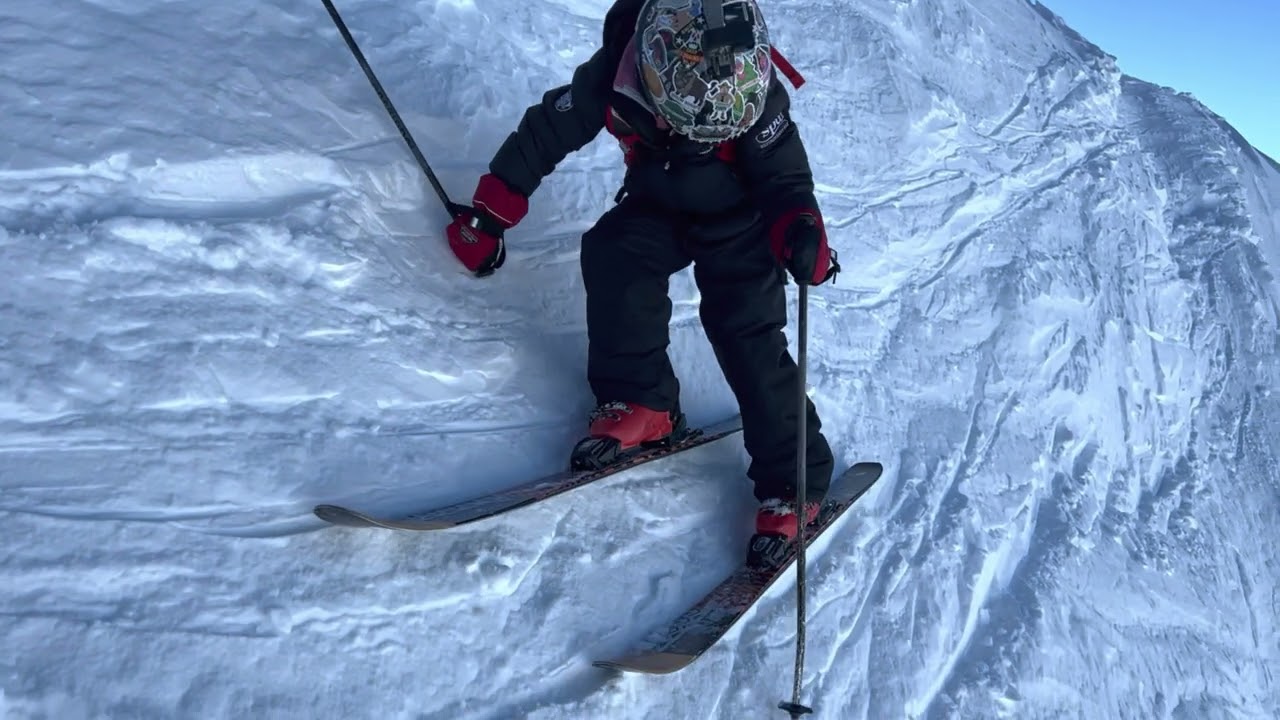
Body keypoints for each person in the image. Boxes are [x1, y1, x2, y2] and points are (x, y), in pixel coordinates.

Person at [444, 0, 839, 548]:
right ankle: (643, 400)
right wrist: (493, 208)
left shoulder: (753, 88)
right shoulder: (618, 72)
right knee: (615, 254)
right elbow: (549, 129)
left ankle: (795, 479)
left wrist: (800, 229)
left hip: (741, 225)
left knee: (745, 333)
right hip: (661, 203)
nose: (704, 140)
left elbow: (786, 181)